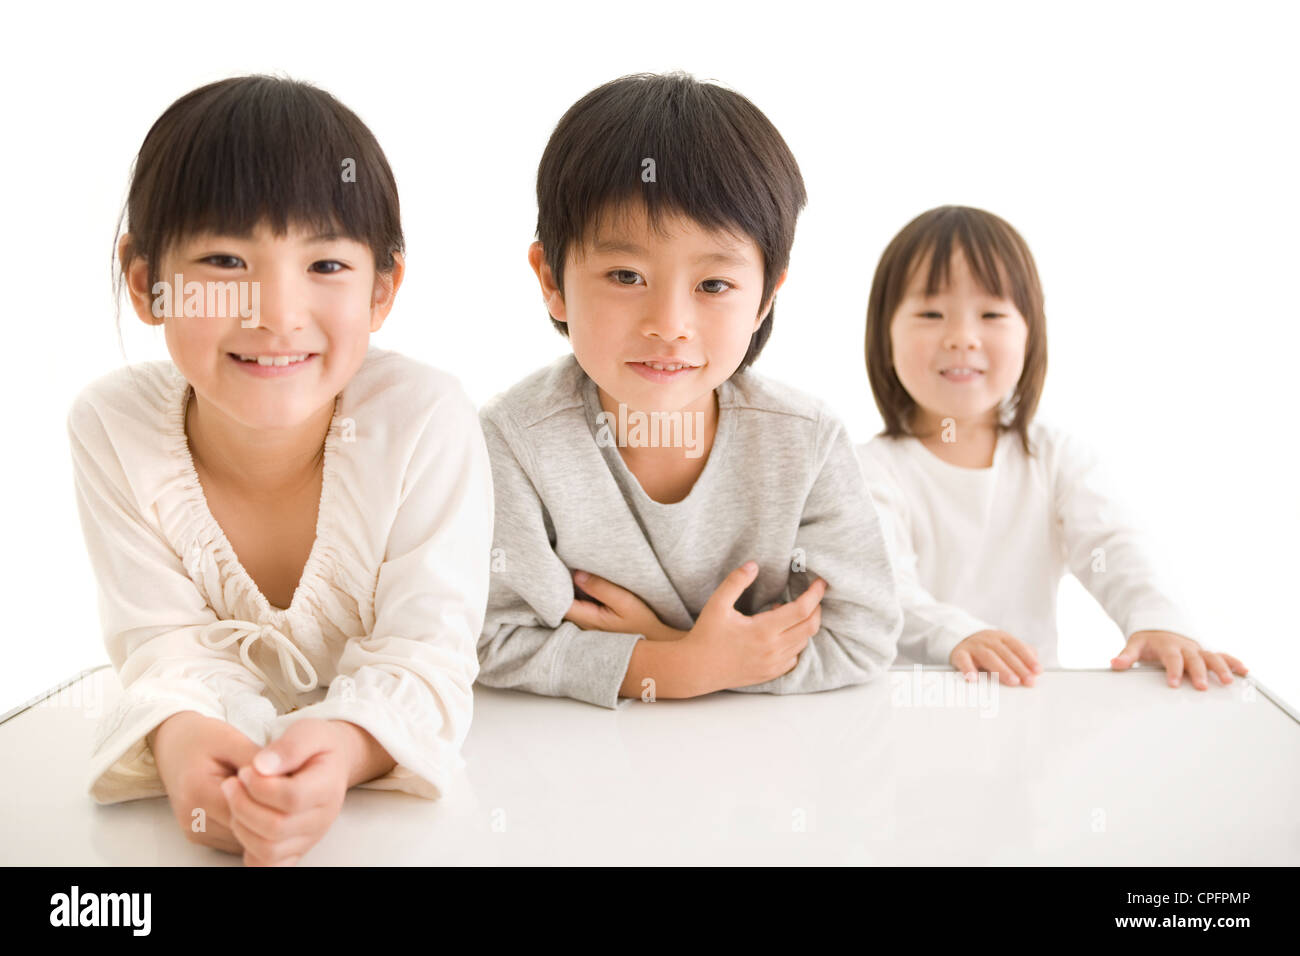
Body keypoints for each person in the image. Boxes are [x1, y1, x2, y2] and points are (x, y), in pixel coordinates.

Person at [67, 75, 493, 864]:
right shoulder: (112, 428)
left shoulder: (423, 420)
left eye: (326, 265)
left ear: (383, 288)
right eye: (226, 259)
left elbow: (426, 654)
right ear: (145, 282)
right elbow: (164, 648)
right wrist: (185, 743)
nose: (276, 313)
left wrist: (345, 747)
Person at [477, 72, 902, 708]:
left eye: (713, 286)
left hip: (757, 777)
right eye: (626, 274)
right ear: (551, 279)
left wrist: (674, 649)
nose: (669, 325)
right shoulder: (515, 440)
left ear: (765, 297)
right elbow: (491, 637)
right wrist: (676, 666)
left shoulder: (804, 440)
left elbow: (859, 639)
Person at [857, 205, 1247, 689]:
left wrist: (1157, 619)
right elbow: (884, 587)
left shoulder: (1056, 459)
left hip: (1034, 708)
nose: (962, 337)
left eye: (992, 313)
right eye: (931, 313)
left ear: (1030, 333)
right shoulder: (869, 470)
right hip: (908, 713)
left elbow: (1113, 544)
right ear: (884, 332)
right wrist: (961, 635)